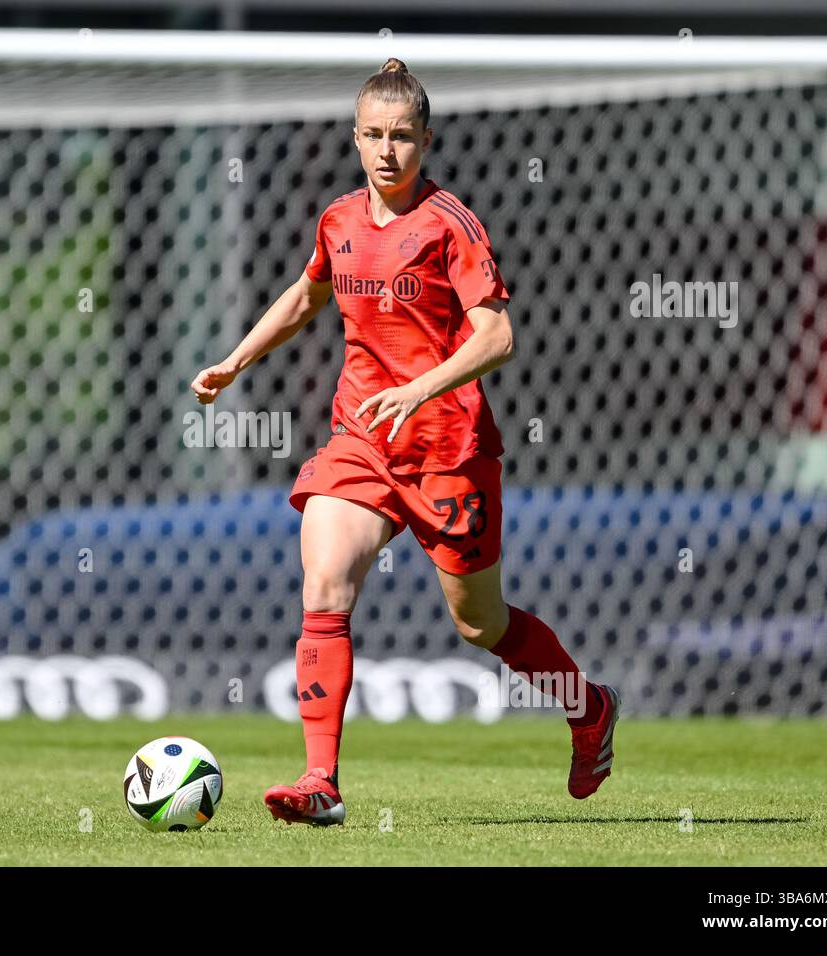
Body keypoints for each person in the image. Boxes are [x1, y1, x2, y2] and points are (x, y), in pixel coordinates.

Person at [190, 58, 619, 826]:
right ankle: (320, 782)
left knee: (479, 625)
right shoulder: (339, 221)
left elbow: (498, 335)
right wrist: (236, 360)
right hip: (361, 438)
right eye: (374, 136)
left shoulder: (449, 225)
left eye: (403, 136)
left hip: (448, 449)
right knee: (324, 586)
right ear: (355, 138)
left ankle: (588, 709)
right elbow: (306, 295)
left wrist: (423, 387)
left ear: (427, 139)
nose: (388, 151)